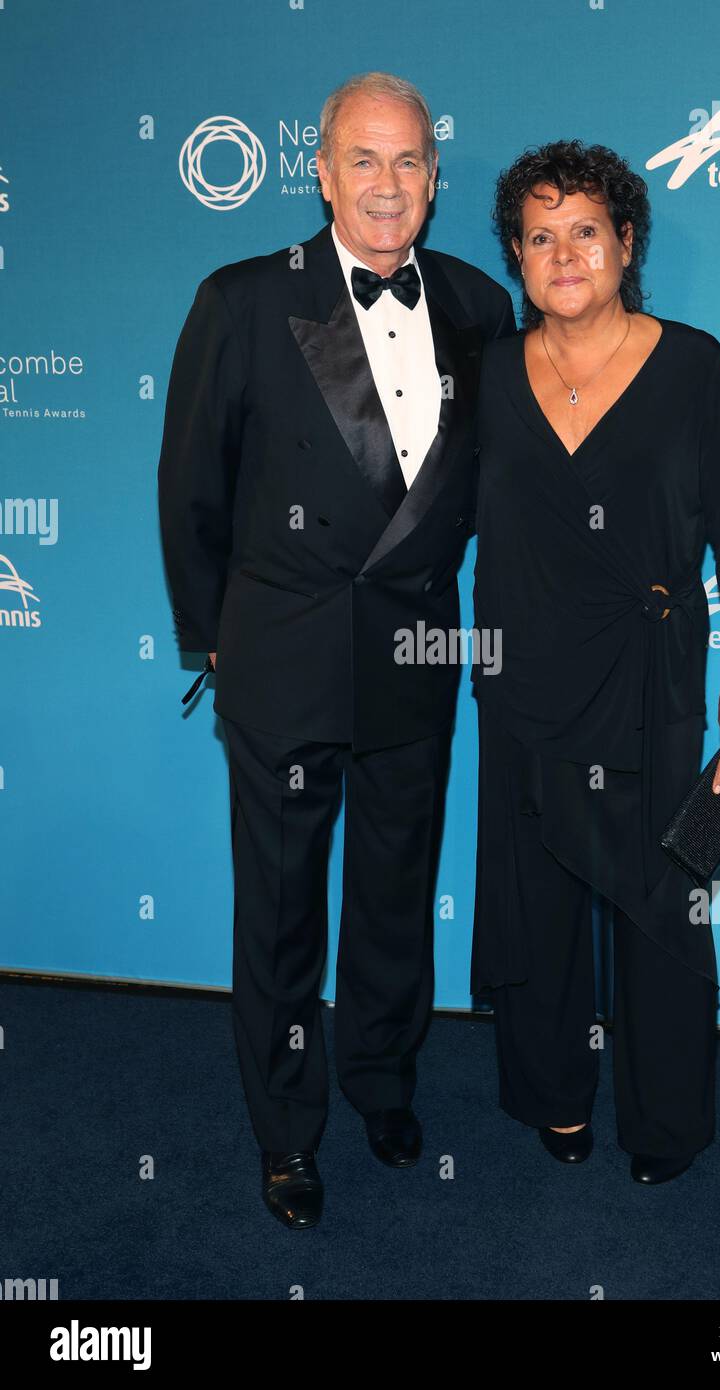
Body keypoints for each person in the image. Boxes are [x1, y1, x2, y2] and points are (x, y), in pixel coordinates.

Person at [157, 72, 515, 1229]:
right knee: (279, 909)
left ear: (433, 180)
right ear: (319, 172)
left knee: (395, 893)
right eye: (363, 160)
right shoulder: (244, 299)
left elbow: (483, 495)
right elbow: (190, 494)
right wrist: (221, 646)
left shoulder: (472, 303)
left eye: (409, 162)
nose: (386, 185)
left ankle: (379, 1076)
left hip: (414, 653)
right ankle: (285, 1126)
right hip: (284, 659)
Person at [470, 140, 720, 1183]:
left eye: (584, 231)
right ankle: (554, 1095)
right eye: (538, 236)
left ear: (626, 242)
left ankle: (663, 1121)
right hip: (520, 678)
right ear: (517, 258)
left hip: (647, 678)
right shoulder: (488, 376)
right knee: (538, 899)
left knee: (659, 910)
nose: (563, 253)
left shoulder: (690, 364)